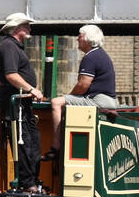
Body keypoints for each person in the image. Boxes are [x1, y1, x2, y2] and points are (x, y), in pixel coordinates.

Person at [0, 13, 44, 193]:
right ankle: (27, 184)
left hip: (25, 105)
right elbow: (11, 75)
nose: (30, 29)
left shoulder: (16, 48)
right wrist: (32, 89)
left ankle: (32, 181)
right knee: (22, 143)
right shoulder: (9, 47)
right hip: (16, 106)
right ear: (17, 28)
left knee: (33, 142)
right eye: (27, 25)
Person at [48, 25, 118, 154]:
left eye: (79, 36)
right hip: (108, 100)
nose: (77, 39)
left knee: (56, 102)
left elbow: (82, 86)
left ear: (88, 39)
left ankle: (56, 145)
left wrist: (68, 97)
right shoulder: (100, 54)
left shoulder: (91, 57)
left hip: (98, 100)